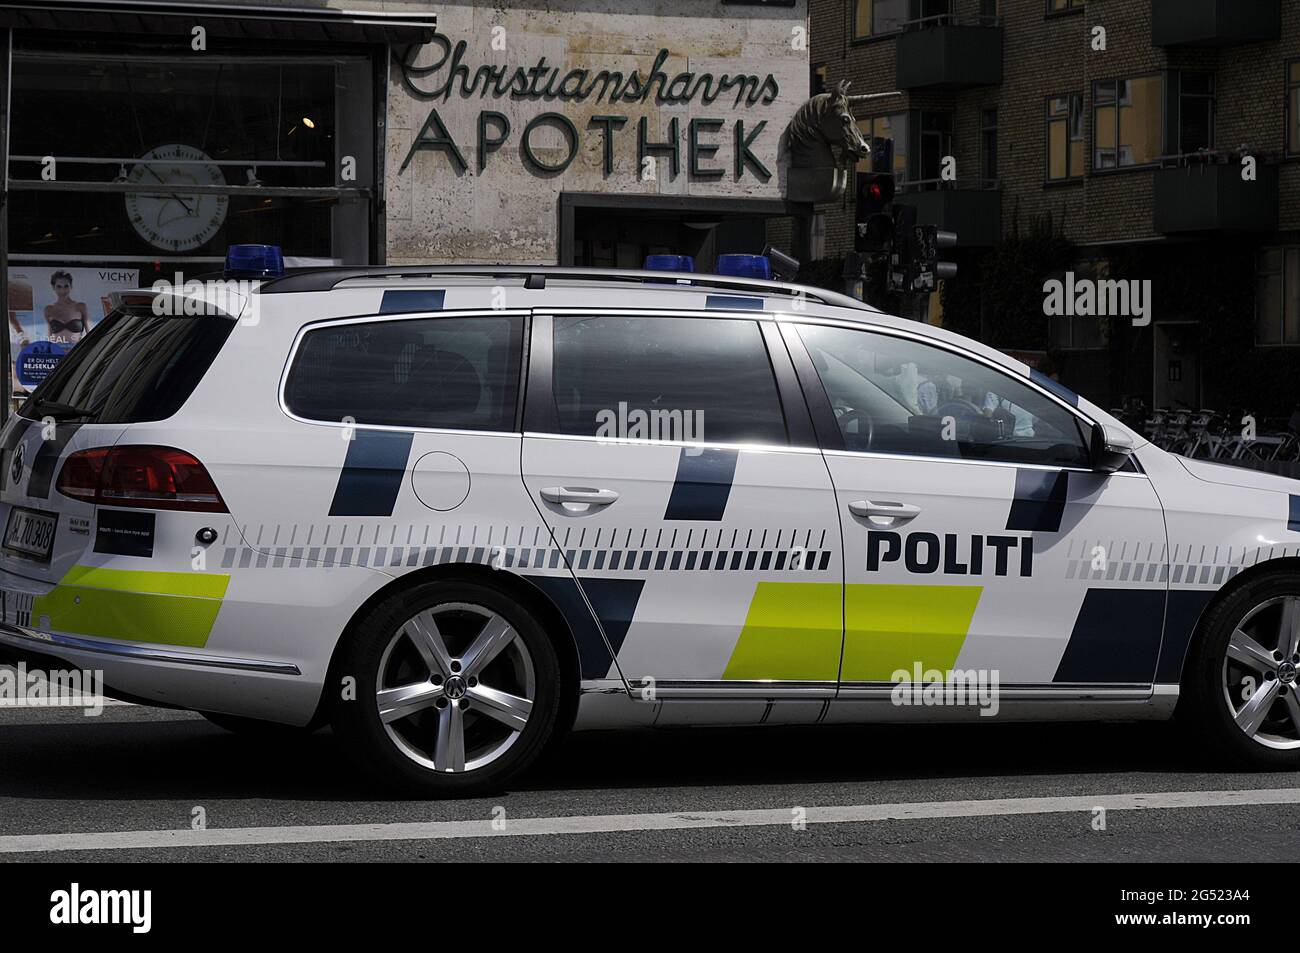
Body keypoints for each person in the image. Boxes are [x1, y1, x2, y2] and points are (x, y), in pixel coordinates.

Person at [44, 271, 91, 345]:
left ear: (71, 286)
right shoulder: (49, 309)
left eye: (66, 286)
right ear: (53, 287)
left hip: (77, 352)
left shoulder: (81, 307)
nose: (63, 290)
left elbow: (90, 333)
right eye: (59, 286)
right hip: (57, 352)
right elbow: (49, 335)